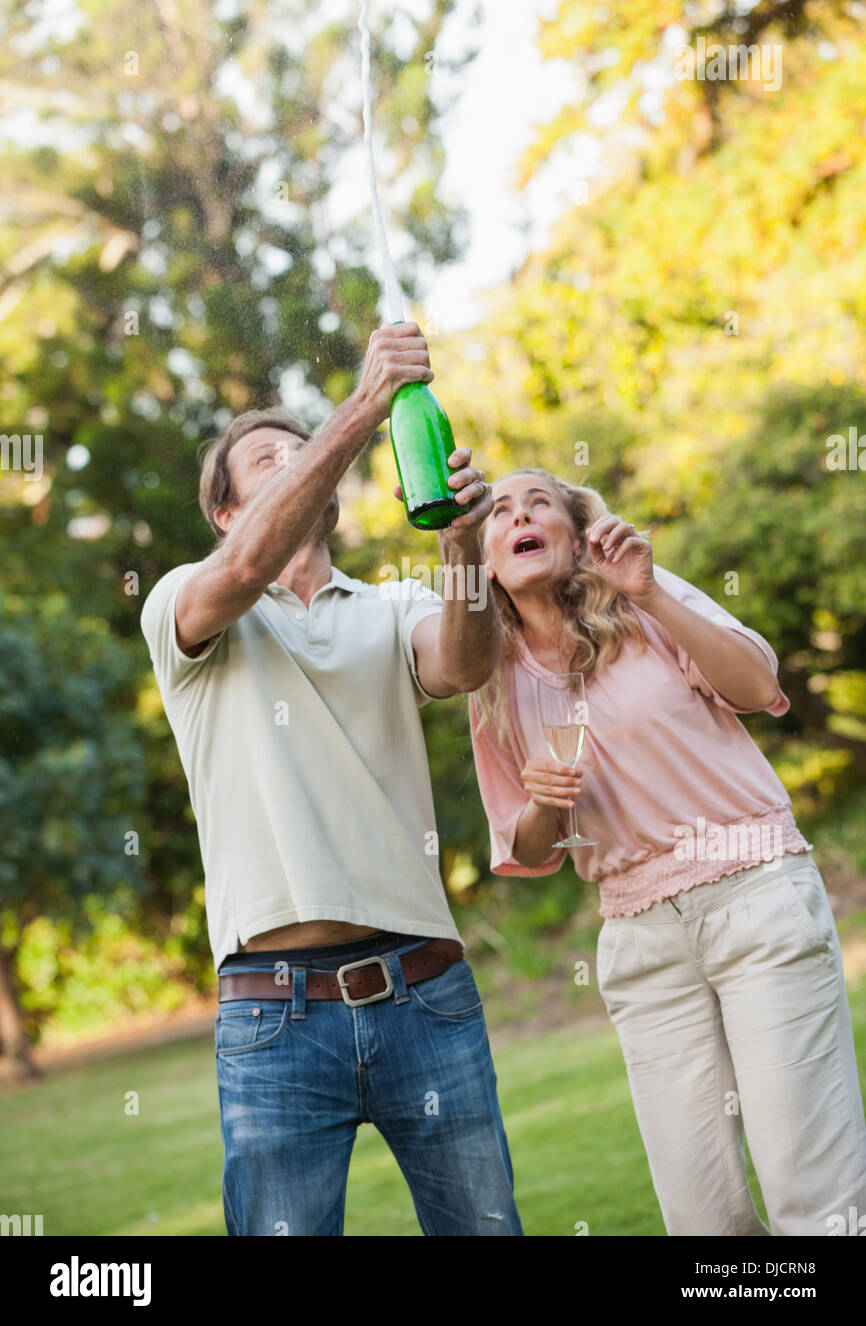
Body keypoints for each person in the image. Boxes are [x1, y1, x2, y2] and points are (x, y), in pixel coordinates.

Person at [140, 323, 523, 1236]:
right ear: (228, 513)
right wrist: (360, 409)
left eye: (302, 454)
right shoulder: (190, 602)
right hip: (273, 1019)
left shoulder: (393, 608)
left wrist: (464, 546)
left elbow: (466, 664)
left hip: (426, 993)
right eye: (267, 460)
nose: (295, 462)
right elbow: (240, 574)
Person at [467, 465, 866, 1236]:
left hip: (756, 894)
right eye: (500, 512)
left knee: (810, 1195)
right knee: (701, 1217)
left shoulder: (640, 597)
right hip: (640, 936)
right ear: (486, 559)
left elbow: (756, 685)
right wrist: (546, 803)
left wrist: (648, 590)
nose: (520, 515)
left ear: (576, 533)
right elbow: (526, 846)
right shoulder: (490, 682)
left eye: (539, 502)